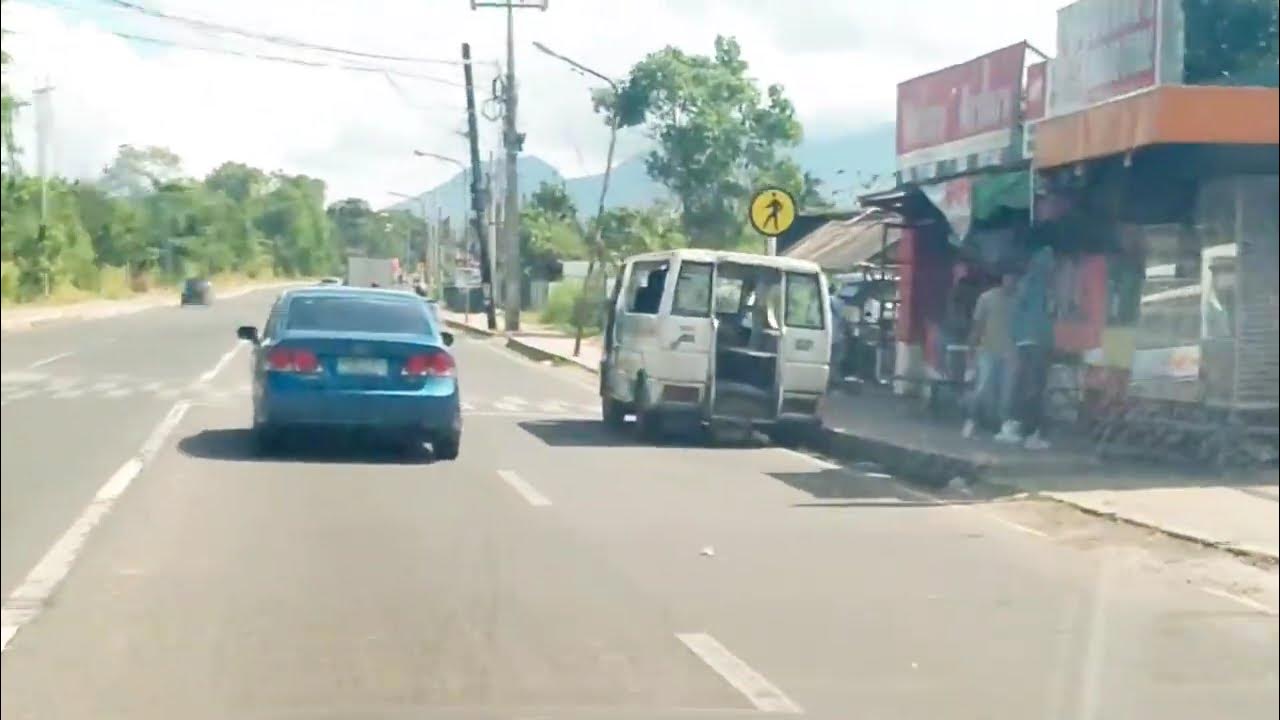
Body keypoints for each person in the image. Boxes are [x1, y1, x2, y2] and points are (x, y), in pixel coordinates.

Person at [997, 246, 1054, 449]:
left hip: (1023, 341)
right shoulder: (1039, 286)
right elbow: (1042, 317)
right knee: (1034, 388)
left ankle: (1015, 427)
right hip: (1036, 341)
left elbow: (1017, 317)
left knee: (1022, 386)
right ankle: (1031, 433)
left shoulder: (1025, 284)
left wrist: (1015, 338)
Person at [963, 271, 1017, 438]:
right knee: (983, 390)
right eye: (1009, 277)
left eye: (1015, 278)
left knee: (1006, 393)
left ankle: (1003, 425)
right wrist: (971, 351)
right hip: (988, 350)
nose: (1012, 281)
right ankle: (971, 420)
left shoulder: (1019, 301)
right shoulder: (987, 298)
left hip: (1010, 353)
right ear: (1003, 278)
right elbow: (977, 326)